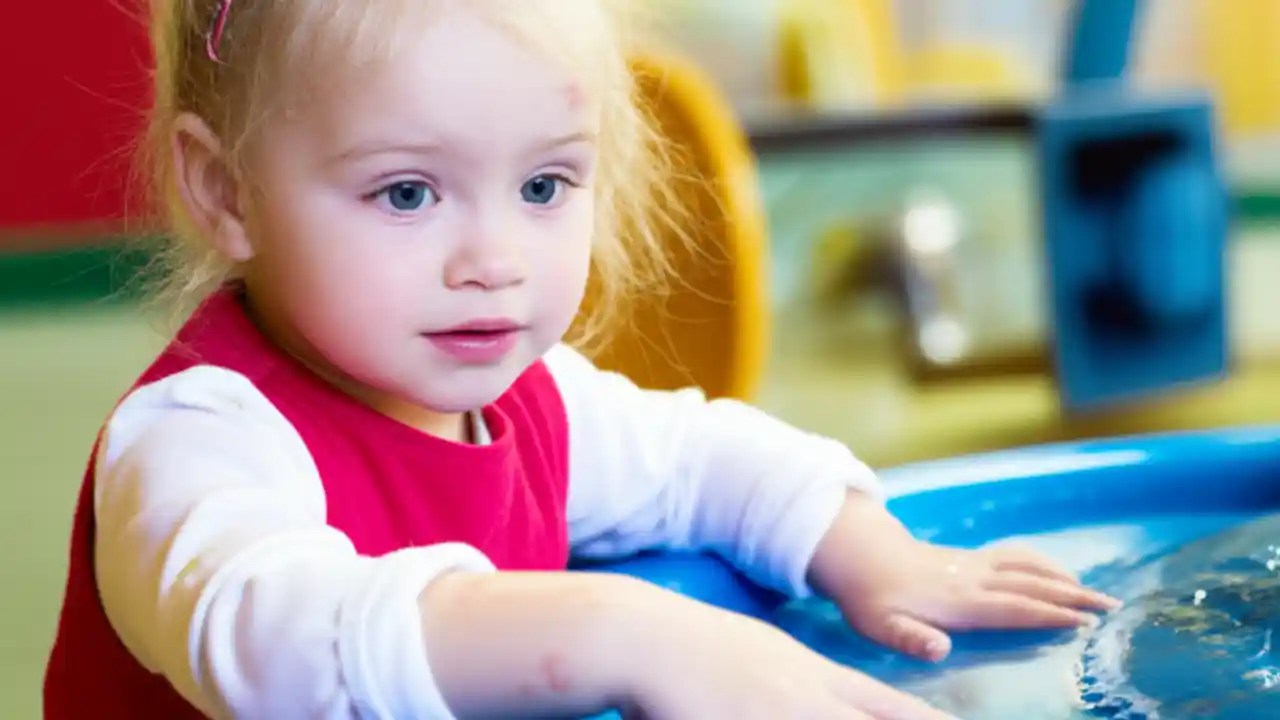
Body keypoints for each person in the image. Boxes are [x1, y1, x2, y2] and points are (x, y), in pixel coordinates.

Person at [43, 1, 1120, 718]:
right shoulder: (198, 441)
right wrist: (627, 635)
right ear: (226, 193)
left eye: (545, 186)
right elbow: (272, 649)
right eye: (407, 193)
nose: (495, 262)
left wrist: (868, 551)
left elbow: (700, 458)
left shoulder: (532, 402)